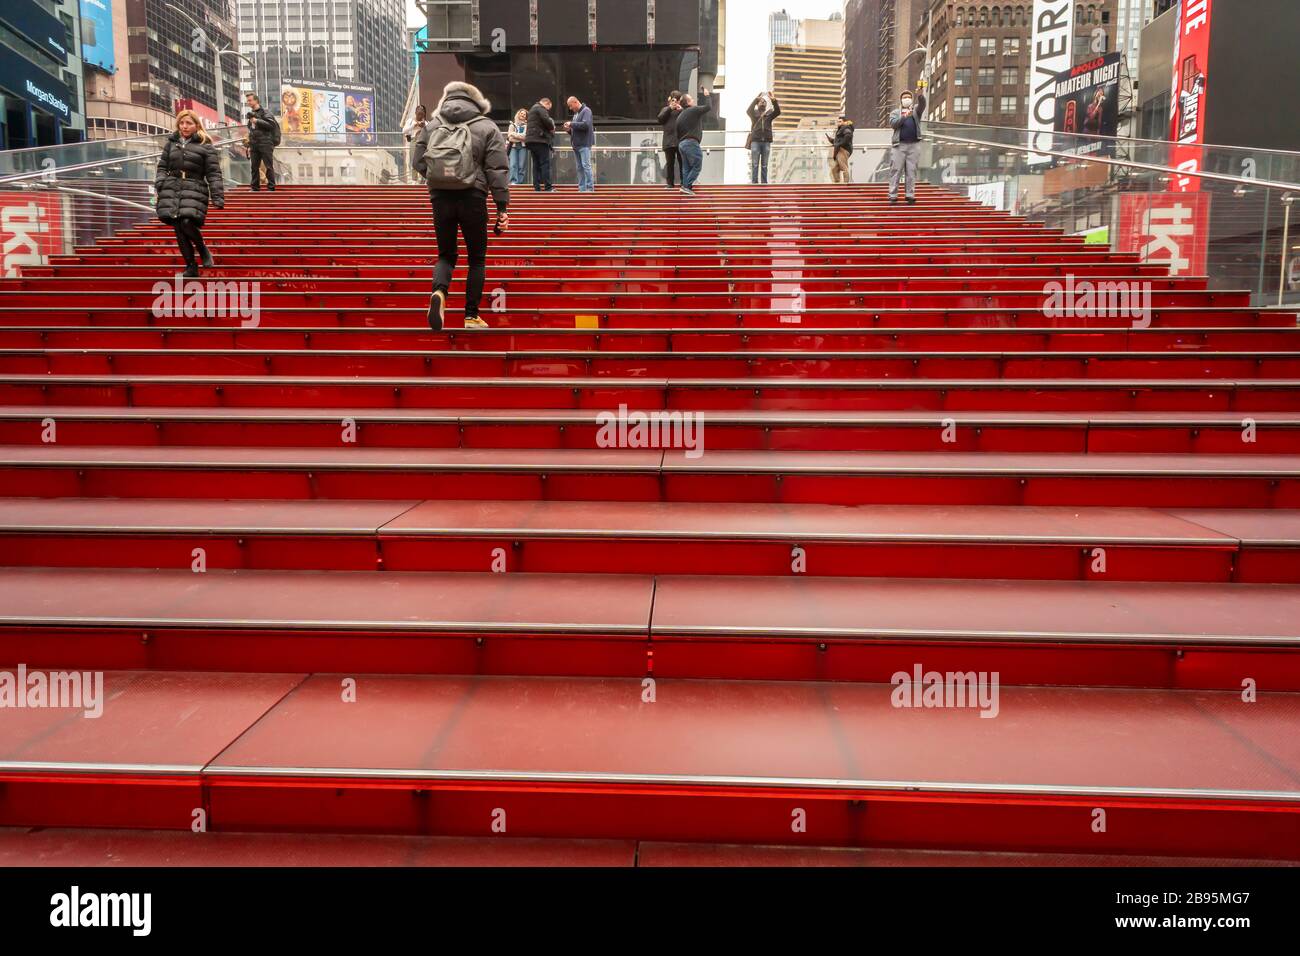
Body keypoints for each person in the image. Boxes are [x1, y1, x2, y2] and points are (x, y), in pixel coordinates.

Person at [413, 81, 510, 331]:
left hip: (440, 199)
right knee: (476, 259)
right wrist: (501, 207)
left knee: (446, 255)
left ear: (447, 99)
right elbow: (497, 169)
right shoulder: (487, 126)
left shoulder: (433, 125)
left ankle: (439, 293)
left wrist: (438, 179)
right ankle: (471, 315)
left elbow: (418, 161)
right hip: (473, 197)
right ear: (476, 101)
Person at [155, 109, 224, 278]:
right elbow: (162, 167)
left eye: (188, 123)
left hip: (195, 187)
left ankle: (202, 248)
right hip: (173, 187)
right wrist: (160, 182)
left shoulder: (206, 146)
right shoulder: (171, 144)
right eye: (182, 123)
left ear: (196, 125)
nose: (184, 127)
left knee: (186, 222)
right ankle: (190, 266)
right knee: (178, 228)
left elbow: (213, 173)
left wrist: (217, 195)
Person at [887, 85, 926, 205]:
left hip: (914, 145)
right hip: (899, 145)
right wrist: (904, 116)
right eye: (904, 97)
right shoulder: (895, 112)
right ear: (901, 100)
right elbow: (893, 124)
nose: (907, 98)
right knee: (896, 170)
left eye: (909, 97)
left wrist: (920, 95)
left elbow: (922, 105)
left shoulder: (915, 111)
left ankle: (910, 195)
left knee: (911, 171)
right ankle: (893, 195)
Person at [674, 88, 712, 197]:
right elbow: (708, 107)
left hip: (681, 144)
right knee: (697, 165)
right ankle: (686, 186)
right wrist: (707, 95)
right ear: (688, 103)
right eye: (691, 99)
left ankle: (687, 188)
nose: (693, 100)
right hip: (691, 142)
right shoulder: (693, 110)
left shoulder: (680, 116)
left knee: (686, 167)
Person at [244, 92, 279, 191]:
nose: (248, 102)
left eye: (250, 100)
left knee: (268, 166)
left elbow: (271, 125)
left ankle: (271, 187)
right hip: (254, 144)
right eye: (247, 100)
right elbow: (252, 131)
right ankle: (255, 187)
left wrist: (257, 121)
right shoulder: (251, 115)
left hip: (266, 143)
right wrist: (249, 144)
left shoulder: (265, 112)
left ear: (256, 100)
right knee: (254, 167)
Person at [746, 92, 781, 184]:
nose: (763, 102)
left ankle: (764, 183)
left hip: (766, 142)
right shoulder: (754, 114)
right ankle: (754, 183)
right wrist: (756, 99)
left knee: (764, 165)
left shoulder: (769, 114)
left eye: (764, 101)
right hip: (755, 142)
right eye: (761, 101)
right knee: (755, 164)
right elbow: (748, 111)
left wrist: (773, 100)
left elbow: (778, 111)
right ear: (757, 104)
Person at [564, 96, 595, 192]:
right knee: (579, 168)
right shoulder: (576, 114)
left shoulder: (586, 110)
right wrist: (569, 130)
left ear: (575, 102)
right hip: (577, 145)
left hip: (584, 144)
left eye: (570, 106)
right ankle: (582, 188)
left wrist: (571, 124)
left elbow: (586, 125)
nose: (570, 108)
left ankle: (589, 189)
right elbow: (577, 129)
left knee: (586, 166)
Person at [525, 97, 556, 192]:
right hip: (540, 140)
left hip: (531, 141)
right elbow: (546, 120)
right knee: (545, 164)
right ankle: (548, 187)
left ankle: (537, 188)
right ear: (546, 103)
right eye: (548, 108)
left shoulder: (532, 109)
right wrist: (552, 128)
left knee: (536, 165)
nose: (547, 110)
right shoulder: (541, 108)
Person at [657, 91, 683, 189]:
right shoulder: (665, 109)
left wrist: (681, 110)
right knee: (669, 164)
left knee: (682, 163)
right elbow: (660, 119)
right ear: (669, 99)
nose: (675, 102)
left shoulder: (682, 110)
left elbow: (688, 119)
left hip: (680, 141)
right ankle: (670, 183)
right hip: (668, 141)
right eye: (673, 100)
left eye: (677, 100)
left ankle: (684, 183)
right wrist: (669, 108)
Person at [827, 115, 855, 184]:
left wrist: (840, 144)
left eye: (840, 121)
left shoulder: (845, 128)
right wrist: (832, 140)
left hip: (843, 150)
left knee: (843, 167)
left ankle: (846, 184)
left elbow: (848, 136)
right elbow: (839, 140)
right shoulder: (841, 129)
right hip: (840, 150)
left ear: (844, 122)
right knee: (834, 170)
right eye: (838, 121)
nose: (838, 123)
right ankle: (837, 183)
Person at [404, 105, 428, 182]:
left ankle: (422, 179)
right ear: (415, 112)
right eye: (418, 111)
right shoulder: (410, 121)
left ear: (424, 113)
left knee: (423, 161)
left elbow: (430, 133)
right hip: (414, 141)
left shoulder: (427, 123)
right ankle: (414, 180)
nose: (420, 113)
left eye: (422, 111)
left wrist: (424, 126)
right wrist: (414, 125)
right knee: (414, 160)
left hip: (424, 143)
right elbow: (404, 131)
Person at [507, 108, 529, 185]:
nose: (522, 115)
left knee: (521, 166)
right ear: (518, 114)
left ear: (526, 117)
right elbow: (510, 137)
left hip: (523, 147)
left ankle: (520, 182)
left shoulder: (527, 126)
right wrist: (520, 137)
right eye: (521, 113)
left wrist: (514, 135)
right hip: (513, 147)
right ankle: (513, 181)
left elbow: (525, 137)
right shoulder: (512, 125)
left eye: (524, 114)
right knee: (513, 165)